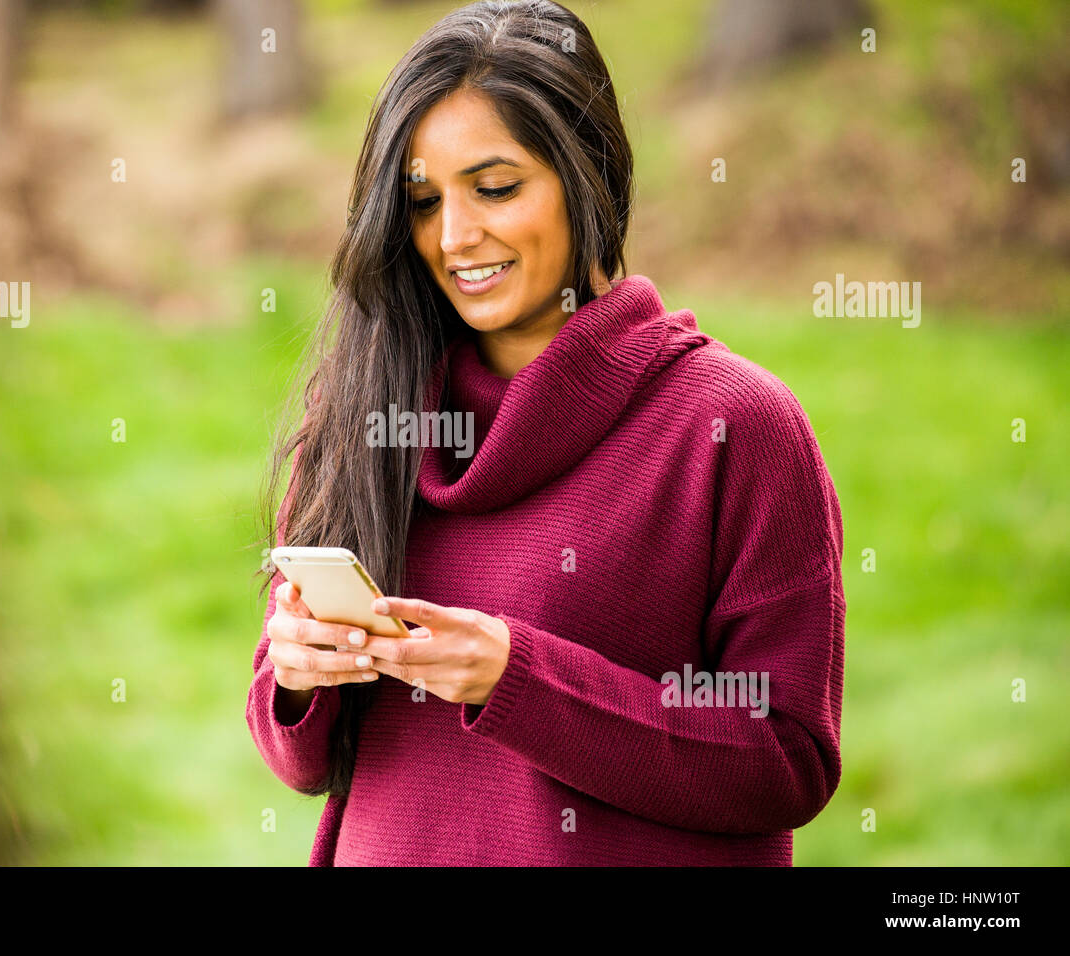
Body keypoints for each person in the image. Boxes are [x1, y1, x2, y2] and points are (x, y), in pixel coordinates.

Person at [247, 0, 845, 866]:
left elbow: (787, 759)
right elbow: (299, 762)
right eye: (421, 201)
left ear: (587, 174)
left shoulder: (732, 426)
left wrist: (518, 680)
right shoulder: (358, 418)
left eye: (495, 187)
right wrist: (297, 677)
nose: (455, 237)